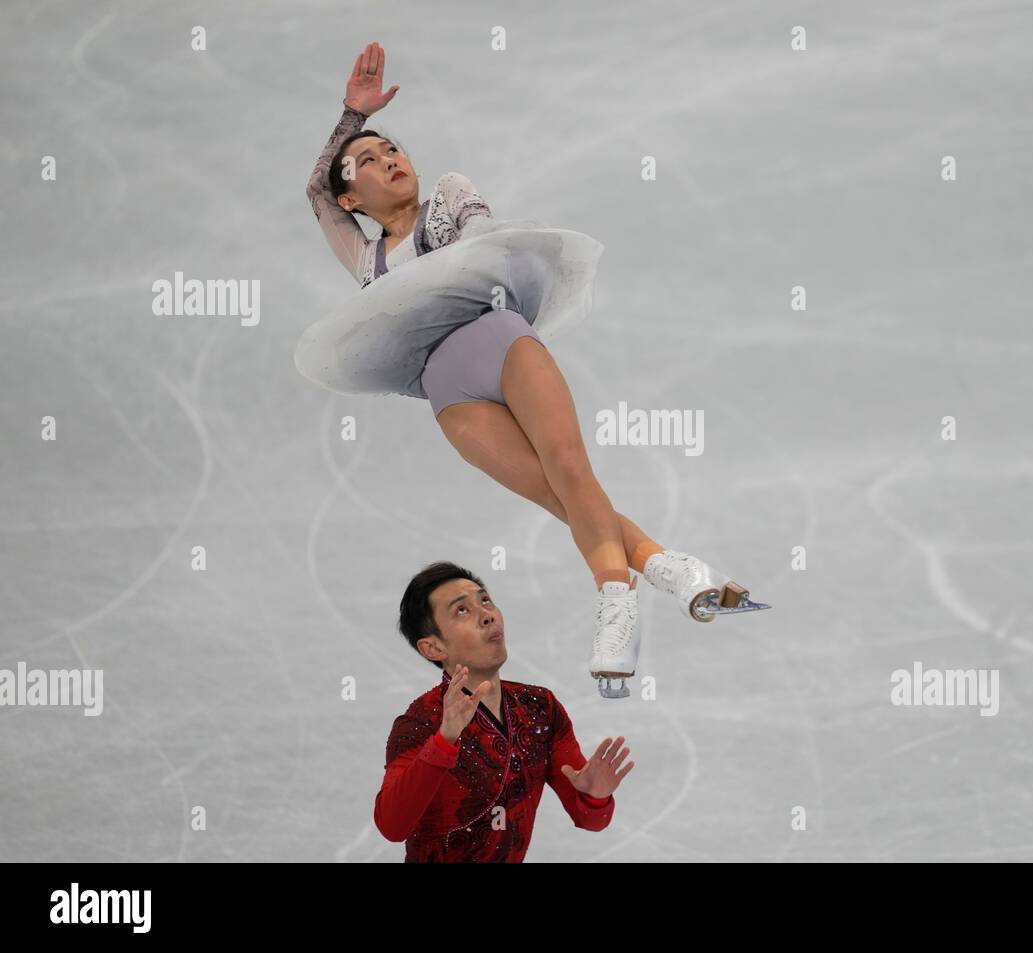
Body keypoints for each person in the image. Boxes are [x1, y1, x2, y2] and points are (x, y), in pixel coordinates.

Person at [299, 42, 765, 698]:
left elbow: (487, 247)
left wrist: (366, 136)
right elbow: (316, 188)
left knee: (572, 471)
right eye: (367, 162)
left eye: (392, 149)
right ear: (351, 198)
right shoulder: (363, 255)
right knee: (556, 495)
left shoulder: (449, 196)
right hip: (449, 392)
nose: (389, 160)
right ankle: (670, 567)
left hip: (503, 342)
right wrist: (352, 113)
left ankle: (617, 607)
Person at [375, 562, 633, 861]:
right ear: (433, 648)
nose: (486, 615)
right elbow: (391, 826)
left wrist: (595, 796)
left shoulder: (539, 708)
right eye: (462, 610)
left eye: (485, 600)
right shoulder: (421, 722)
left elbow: (591, 820)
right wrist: (443, 741)